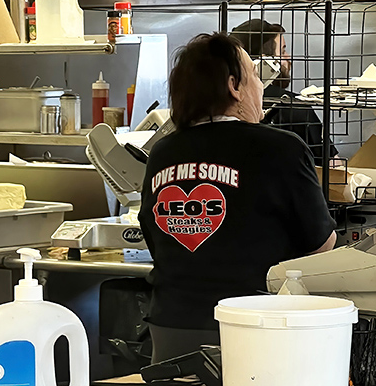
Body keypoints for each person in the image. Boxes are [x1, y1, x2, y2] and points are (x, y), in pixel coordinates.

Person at [138, 32, 336, 362]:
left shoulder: (162, 153)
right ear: (234, 86)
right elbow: (321, 245)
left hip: (171, 326)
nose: (261, 87)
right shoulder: (280, 148)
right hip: (253, 327)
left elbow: (154, 236)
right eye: (256, 76)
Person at [231, 18, 338, 167]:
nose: (288, 57)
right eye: (282, 51)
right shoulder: (295, 107)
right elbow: (335, 170)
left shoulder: (223, 106)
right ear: (266, 62)